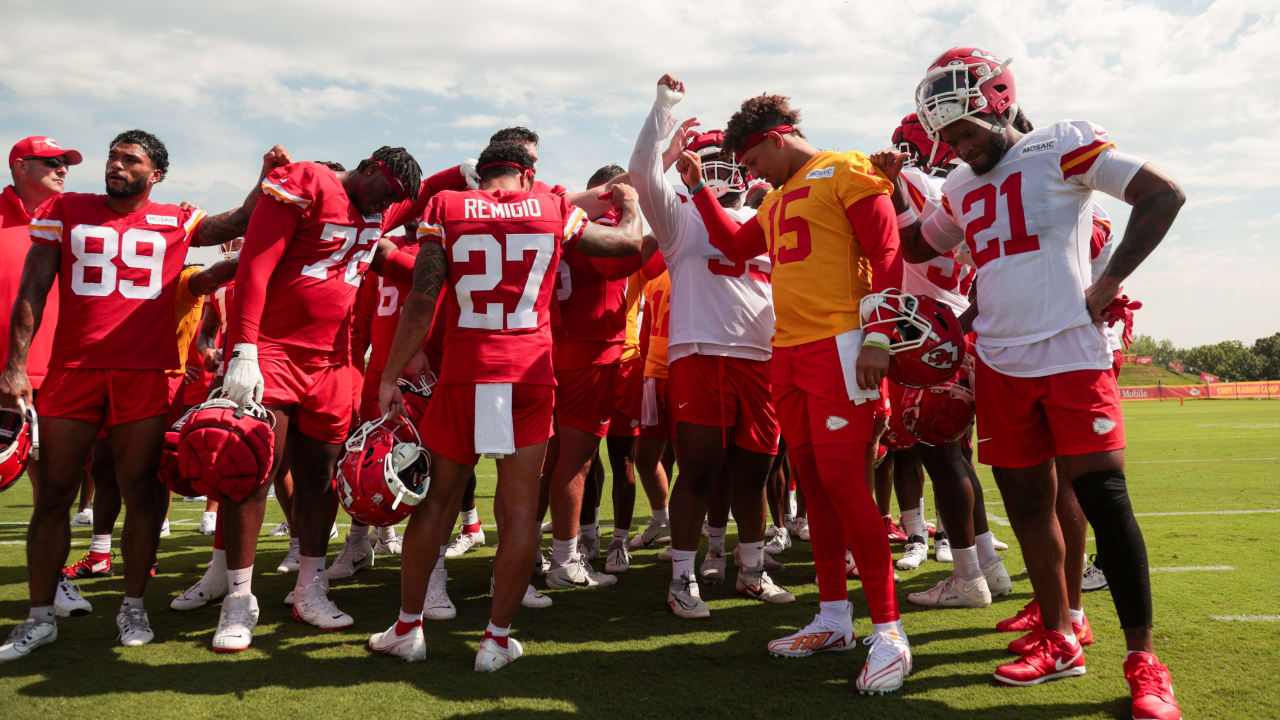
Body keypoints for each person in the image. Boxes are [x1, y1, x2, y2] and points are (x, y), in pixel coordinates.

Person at [882, 46, 1183, 718]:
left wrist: (1110, 282)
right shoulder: (958, 186)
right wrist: (899, 188)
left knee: (1105, 498)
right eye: (947, 137)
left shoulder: (1059, 145)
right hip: (1000, 360)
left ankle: (1144, 662)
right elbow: (921, 249)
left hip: (1071, 351)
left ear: (999, 103)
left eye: (964, 131)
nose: (957, 147)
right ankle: (1060, 638)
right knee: (1025, 506)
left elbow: (1161, 193)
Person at [0, 130, 289, 661]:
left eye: (129, 160)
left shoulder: (177, 219)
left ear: (155, 174)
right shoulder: (66, 208)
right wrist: (16, 364)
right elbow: (32, 289)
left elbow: (240, 220)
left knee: (142, 491)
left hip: (146, 373)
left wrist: (265, 176)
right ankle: (39, 616)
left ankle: (133, 605)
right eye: (112, 157)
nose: (115, 165)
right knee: (55, 495)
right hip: (73, 369)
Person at [368, 140, 642, 670]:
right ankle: (495, 640)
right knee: (519, 511)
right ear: (529, 172)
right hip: (528, 372)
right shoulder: (553, 208)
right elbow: (627, 242)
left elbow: (423, 300)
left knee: (437, 503)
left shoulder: (445, 207)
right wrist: (629, 202)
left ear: (481, 172)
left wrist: (388, 374)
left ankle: (408, 627)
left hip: (467, 371)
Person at [685, 85, 911, 694]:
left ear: (775, 138)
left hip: (841, 343)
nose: (751, 173)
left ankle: (889, 631)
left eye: (753, 161)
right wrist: (698, 188)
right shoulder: (778, 198)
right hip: (786, 352)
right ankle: (834, 616)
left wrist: (880, 337)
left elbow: (886, 251)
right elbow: (734, 247)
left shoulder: (846, 168)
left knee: (844, 485)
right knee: (813, 485)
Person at [214, 146, 429, 652]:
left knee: (322, 476)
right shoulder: (309, 181)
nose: (387, 206)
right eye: (387, 192)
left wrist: (461, 173)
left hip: (332, 361)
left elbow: (421, 201)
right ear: (372, 166)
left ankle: (309, 587)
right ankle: (238, 599)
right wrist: (243, 345)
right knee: (252, 471)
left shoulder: (380, 207)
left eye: (395, 200)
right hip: (273, 349)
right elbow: (255, 265)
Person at [628, 74, 791, 620]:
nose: (720, 172)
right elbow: (640, 177)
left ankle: (751, 569)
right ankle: (681, 578)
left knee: (754, 472)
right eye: (709, 161)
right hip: (699, 352)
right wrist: (663, 118)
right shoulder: (680, 217)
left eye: (730, 162)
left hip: (761, 357)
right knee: (697, 471)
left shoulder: (769, 212)